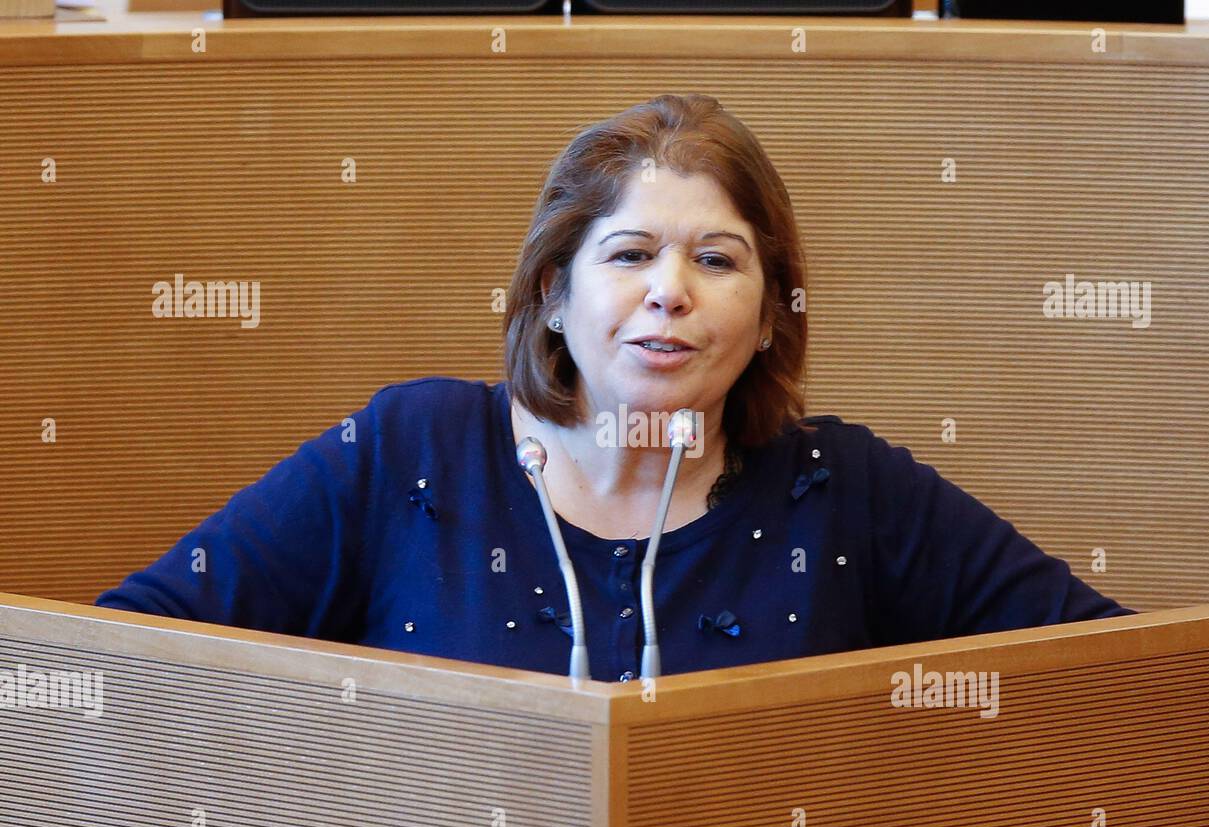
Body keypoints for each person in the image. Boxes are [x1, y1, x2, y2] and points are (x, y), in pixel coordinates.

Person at [95, 93, 1136, 683]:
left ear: (774, 311)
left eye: (718, 261)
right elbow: (126, 647)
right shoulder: (408, 448)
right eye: (630, 253)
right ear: (552, 293)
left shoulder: (846, 487)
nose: (669, 295)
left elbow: (1119, 667)